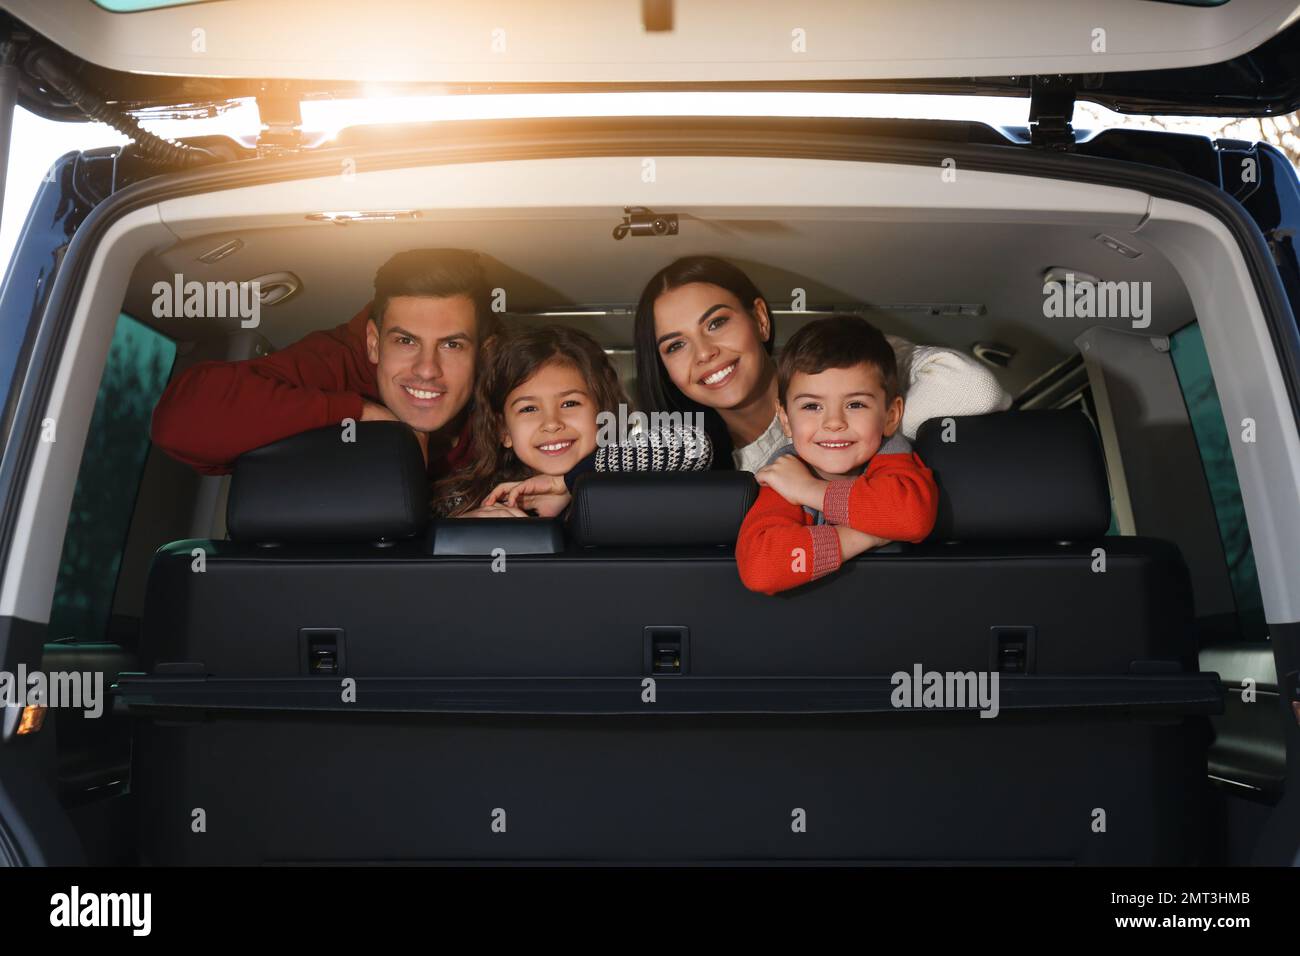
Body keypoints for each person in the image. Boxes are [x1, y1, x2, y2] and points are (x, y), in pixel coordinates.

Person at [632, 255, 1011, 473]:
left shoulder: (841, 361)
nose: (703, 353)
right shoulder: (676, 462)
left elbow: (973, 390)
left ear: (761, 320)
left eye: (717, 323)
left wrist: (869, 427)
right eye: (675, 345)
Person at [150, 248, 493, 478]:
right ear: (373, 343)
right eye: (405, 341)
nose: (427, 369)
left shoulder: (513, 390)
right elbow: (180, 423)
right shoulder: (334, 363)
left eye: (451, 344)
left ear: (481, 353)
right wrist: (361, 413)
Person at [734, 315, 938, 595]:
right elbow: (761, 568)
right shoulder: (785, 474)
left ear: (891, 416)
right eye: (811, 406)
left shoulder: (893, 457)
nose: (833, 422)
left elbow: (912, 518)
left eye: (855, 404)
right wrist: (867, 536)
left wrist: (811, 491)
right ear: (784, 419)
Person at [436, 325, 710, 519]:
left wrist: (569, 482)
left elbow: (694, 445)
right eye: (529, 408)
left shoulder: (625, 474)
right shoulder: (467, 497)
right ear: (503, 430)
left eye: (570, 403)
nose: (552, 423)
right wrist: (462, 530)